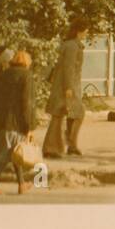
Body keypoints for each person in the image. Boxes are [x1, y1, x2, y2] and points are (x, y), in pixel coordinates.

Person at [0, 50, 36, 195]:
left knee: (16, 153)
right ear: (27, 62)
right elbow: (27, 103)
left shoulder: (2, 75)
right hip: (16, 122)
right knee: (9, 153)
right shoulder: (26, 76)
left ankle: (21, 185)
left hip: (1, 120)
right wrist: (30, 126)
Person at [43, 18, 88, 158]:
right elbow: (68, 68)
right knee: (63, 114)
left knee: (72, 113)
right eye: (85, 31)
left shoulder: (70, 45)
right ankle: (54, 148)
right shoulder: (72, 46)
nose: (86, 34)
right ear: (79, 32)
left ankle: (68, 145)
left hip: (66, 86)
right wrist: (69, 87)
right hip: (67, 87)